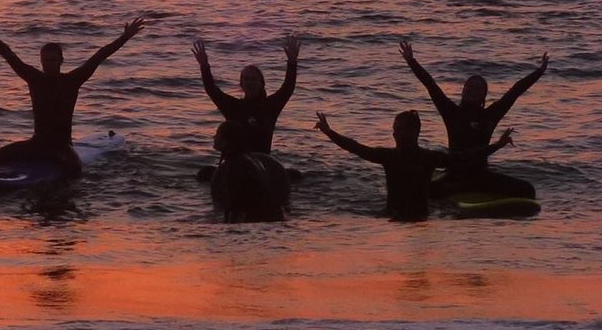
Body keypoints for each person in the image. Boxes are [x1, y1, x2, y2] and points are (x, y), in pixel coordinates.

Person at [0, 12, 146, 175]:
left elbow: (99, 56)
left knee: (75, 171)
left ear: (61, 61)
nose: (49, 64)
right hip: (36, 144)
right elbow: (6, 53)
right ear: (41, 61)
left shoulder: (72, 80)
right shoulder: (34, 78)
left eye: (53, 60)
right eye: (45, 61)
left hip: (61, 147)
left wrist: (125, 37)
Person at [399, 41, 545, 199]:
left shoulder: (491, 114)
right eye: (470, 87)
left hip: (481, 175)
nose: (473, 91)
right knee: (419, 192)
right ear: (463, 91)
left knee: (528, 190)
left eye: (478, 88)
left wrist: (539, 71)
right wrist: (411, 61)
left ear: (484, 95)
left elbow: (515, 91)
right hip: (455, 174)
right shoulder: (451, 111)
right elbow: (431, 85)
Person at [316, 111, 514, 222]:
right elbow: (357, 148)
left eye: (400, 130)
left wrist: (496, 146)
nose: (395, 134)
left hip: (421, 218)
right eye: (394, 130)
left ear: (415, 131)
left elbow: (462, 158)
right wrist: (329, 132)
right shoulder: (388, 156)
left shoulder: (427, 157)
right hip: (391, 216)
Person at [191, 34, 301, 157]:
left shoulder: (270, 106)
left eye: (254, 79)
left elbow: (288, 88)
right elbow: (212, 90)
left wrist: (292, 62)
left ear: (261, 83)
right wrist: (204, 66)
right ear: (241, 84)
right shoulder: (233, 107)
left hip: (261, 164)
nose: (250, 82)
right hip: (236, 164)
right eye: (247, 79)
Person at [210, 120, 289, 223]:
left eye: (217, 135)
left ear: (227, 141)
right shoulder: (248, 160)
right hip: (272, 217)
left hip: (259, 219)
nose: (214, 137)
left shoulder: (235, 166)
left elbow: (236, 204)